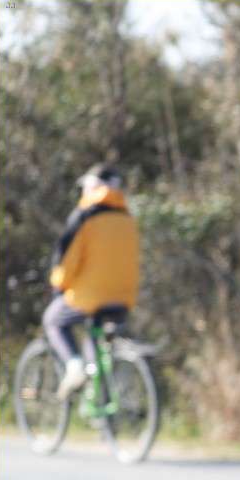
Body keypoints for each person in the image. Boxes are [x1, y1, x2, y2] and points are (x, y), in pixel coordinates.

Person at [43, 163, 141, 398]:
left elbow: (67, 259)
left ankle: (74, 366)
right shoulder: (127, 218)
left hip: (91, 294)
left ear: (93, 187)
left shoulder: (85, 215)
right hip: (125, 295)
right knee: (95, 337)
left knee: (53, 320)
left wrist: (58, 284)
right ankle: (98, 402)